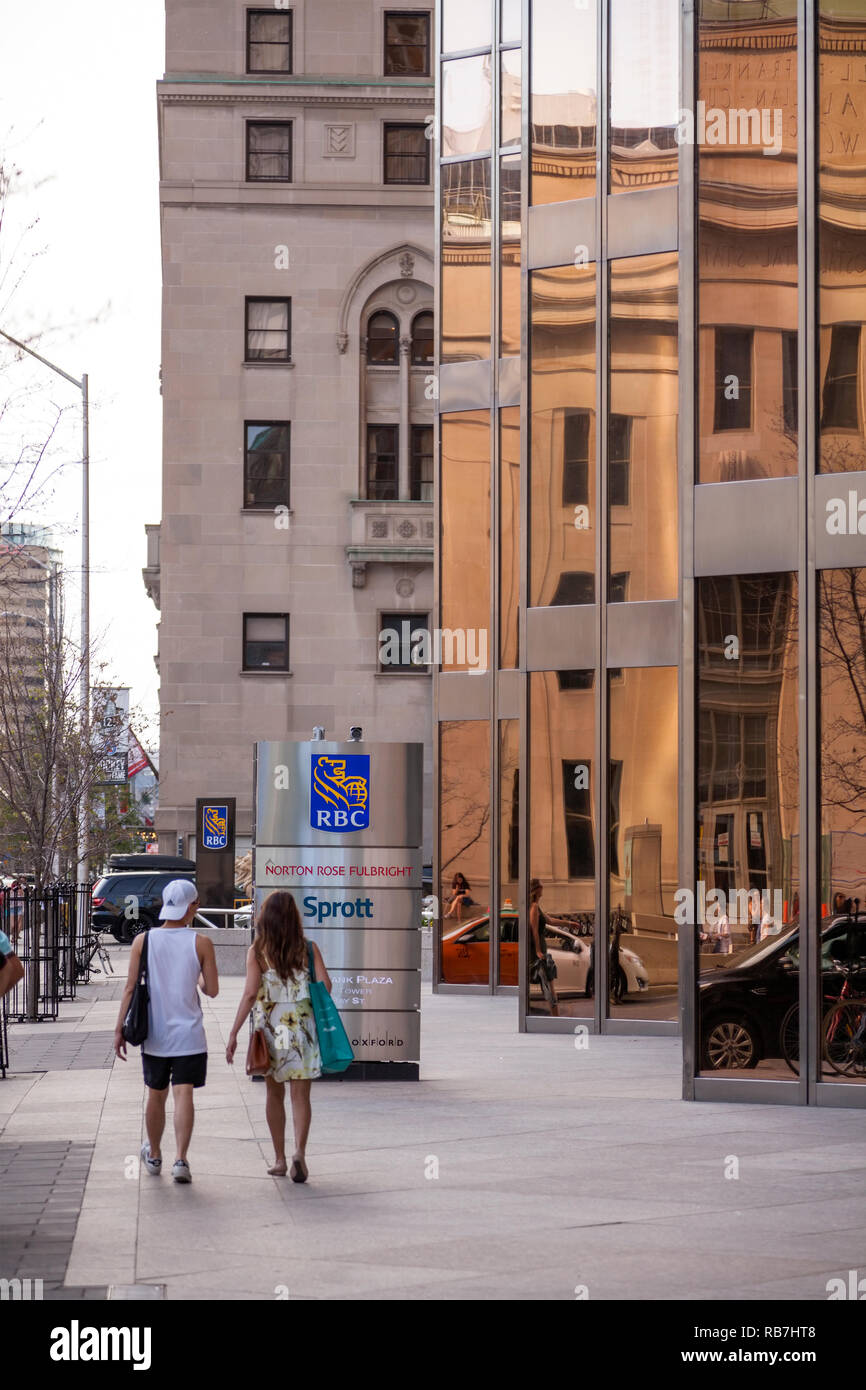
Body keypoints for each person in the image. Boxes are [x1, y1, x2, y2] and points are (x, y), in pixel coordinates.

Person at [114, 879, 218, 1184]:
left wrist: (119, 1029)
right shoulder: (201, 943)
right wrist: (197, 978)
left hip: (155, 1034)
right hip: (190, 1034)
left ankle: (155, 1154)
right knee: (184, 1093)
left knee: (155, 1094)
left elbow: (130, 988)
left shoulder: (143, 941)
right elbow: (212, 989)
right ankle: (181, 1160)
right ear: (192, 906)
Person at [226, 890, 329, 1182]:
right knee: (301, 1095)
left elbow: (249, 994)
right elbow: (326, 986)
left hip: (272, 1031)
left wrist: (234, 1032)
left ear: (266, 917)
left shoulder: (258, 952)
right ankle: (299, 1152)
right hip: (302, 1029)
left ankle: (280, 1160)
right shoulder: (308, 949)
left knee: (274, 1094)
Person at [529, 878, 575, 1017]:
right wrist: (538, 951)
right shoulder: (534, 907)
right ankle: (556, 1017)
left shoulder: (536, 906)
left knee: (548, 985)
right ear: (537, 889)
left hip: (540, 950)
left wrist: (569, 924)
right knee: (549, 986)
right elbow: (534, 931)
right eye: (541, 886)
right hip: (538, 952)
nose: (543, 888)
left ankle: (555, 1016)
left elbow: (550, 920)